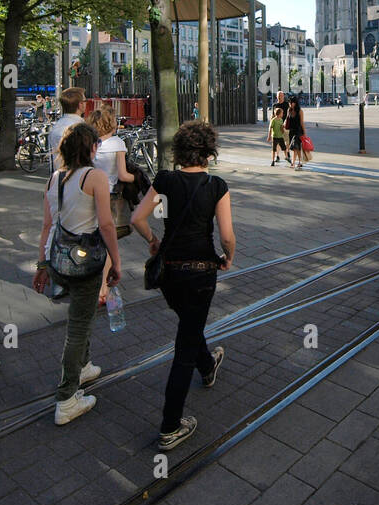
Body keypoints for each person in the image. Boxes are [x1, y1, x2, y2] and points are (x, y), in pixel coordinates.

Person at [130, 121, 235, 451]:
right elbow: (227, 235)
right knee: (185, 344)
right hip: (202, 272)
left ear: (179, 150)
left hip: (170, 274)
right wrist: (228, 256)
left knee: (190, 325)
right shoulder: (216, 186)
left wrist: (153, 241)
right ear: (208, 152)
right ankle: (170, 426)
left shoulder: (164, 180)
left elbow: (139, 218)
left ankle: (208, 366)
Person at [32, 123, 122, 425]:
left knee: (79, 316)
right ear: (91, 148)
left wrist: (42, 265)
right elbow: (107, 225)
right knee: (78, 327)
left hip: (59, 261)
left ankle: (84, 366)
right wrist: (117, 262)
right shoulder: (94, 176)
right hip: (85, 263)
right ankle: (67, 397)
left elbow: (47, 226)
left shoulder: (54, 178)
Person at [88, 105, 135, 302]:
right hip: (109, 196)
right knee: (108, 241)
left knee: (93, 238)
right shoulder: (117, 143)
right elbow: (123, 174)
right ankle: (103, 289)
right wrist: (137, 178)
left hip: (89, 195)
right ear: (111, 124)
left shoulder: (91, 144)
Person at [48, 87, 86, 173]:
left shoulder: (56, 126)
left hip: (59, 176)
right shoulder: (80, 128)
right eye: (85, 101)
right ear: (80, 104)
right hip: (78, 178)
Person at [285, 96, 306, 169]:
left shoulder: (300, 111)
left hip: (298, 131)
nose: (290, 104)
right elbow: (287, 120)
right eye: (289, 102)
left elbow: (302, 123)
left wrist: (304, 133)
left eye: (292, 102)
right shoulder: (289, 110)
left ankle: (293, 163)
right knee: (297, 148)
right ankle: (300, 162)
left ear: (295, 103)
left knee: (295, 148)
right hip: (291, 131)